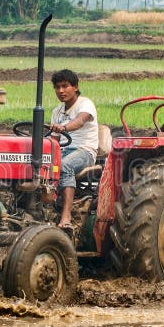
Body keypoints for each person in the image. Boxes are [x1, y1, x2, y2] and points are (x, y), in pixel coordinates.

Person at [49, 69, 98, 228]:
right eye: (57, 87)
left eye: (65, 86)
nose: (61, 91)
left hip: (84, 151)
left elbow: (80, 121)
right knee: (39, 165)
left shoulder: (85, 104)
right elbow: (53, 141)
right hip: (63, 151)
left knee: (64, 166)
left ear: (75, 87)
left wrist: (64, 128)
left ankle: (66, 215)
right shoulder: (57, 111)